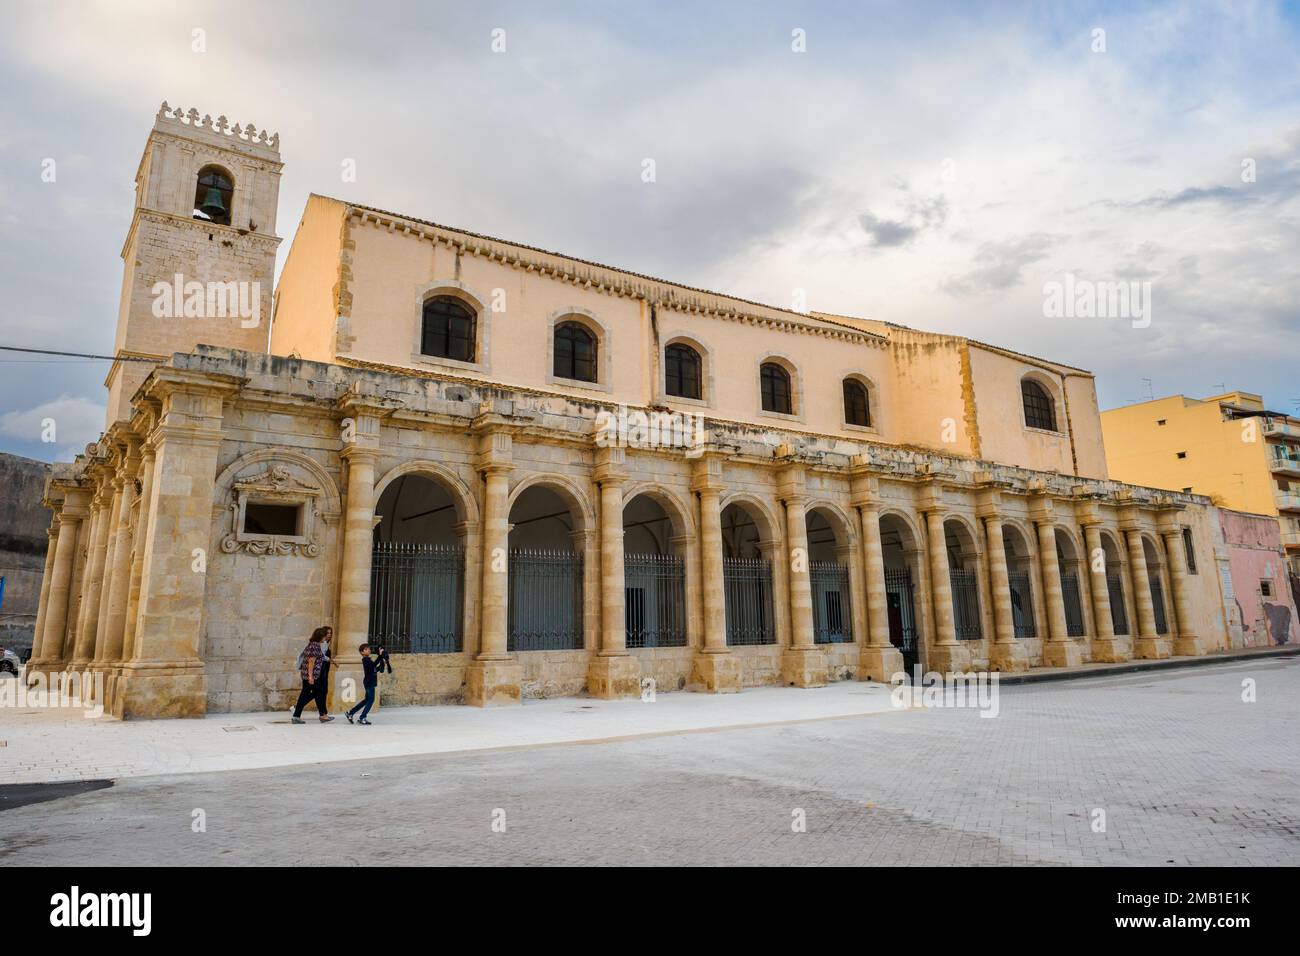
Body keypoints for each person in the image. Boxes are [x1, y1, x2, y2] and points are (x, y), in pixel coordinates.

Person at [291, 627, 334, 724]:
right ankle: (322, 716)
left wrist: (333, 661)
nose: (326, 637)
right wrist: (311, 677)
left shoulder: (313, 645)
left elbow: (322, 657)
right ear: (320, 636)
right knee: (318, 693)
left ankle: (297, 716)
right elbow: (311, 661)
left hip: (308, 674)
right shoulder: (315, 645)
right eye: (324, 635)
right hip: (313, 675)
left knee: (308, 694)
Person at [345, 643, 378, 725]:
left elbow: (374, 669)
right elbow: (373, 665)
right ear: (362, 652)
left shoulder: (369, 660)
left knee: (367, 700)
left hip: (370, 682)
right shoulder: (365, 660)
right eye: (366, 649)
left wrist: (381, 664)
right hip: (369, 682)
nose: (369, 650)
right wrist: (380, 656)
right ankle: (362, 717)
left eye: (369, 649)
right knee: (371, 700)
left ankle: (350, 712)